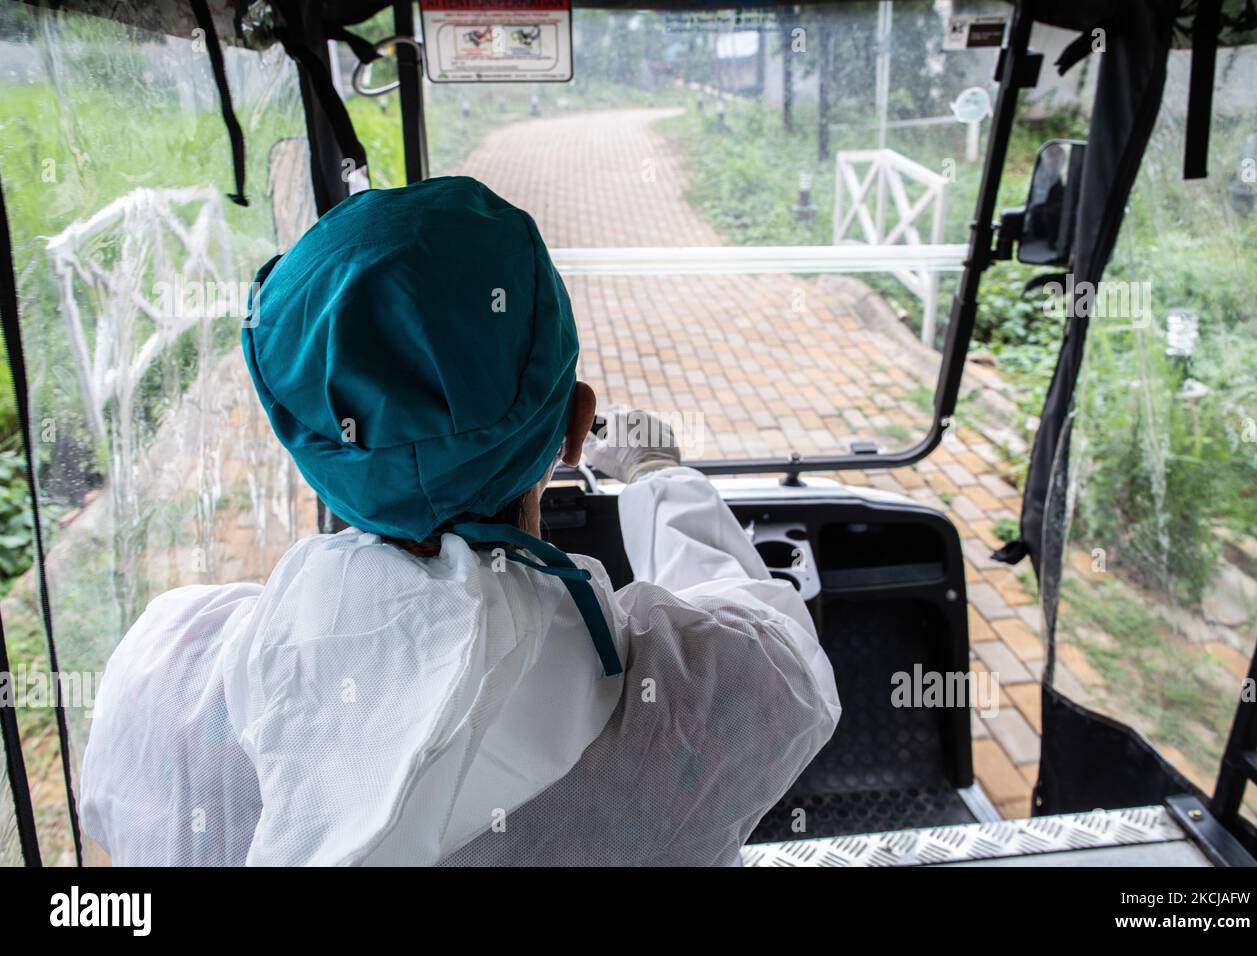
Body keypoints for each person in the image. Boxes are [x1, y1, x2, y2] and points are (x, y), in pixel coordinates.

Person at [78, 176, 840, 866]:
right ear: (576, 427)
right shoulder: (694, 700)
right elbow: (776, 637)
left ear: (310, 449)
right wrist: (658, 476)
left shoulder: (161, 678)